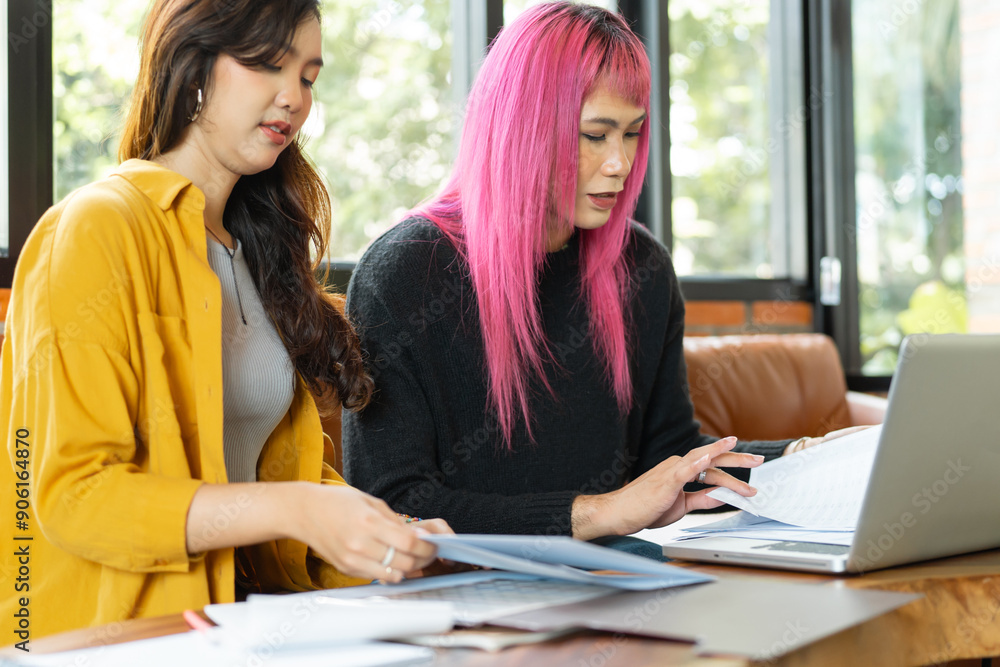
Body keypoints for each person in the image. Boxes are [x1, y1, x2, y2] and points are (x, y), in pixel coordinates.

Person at [0, 0, 449, 642]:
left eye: (309, 77)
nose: (293, 97)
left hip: (243, 630)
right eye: (267, 63)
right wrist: (301, 508)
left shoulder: (255, 250)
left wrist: (383, 535)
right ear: (193, 63)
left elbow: (268, 482)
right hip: (117, 642)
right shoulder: (97, 227)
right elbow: (76, 498)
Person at [342, 2, 861, 540]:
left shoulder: (644, 269)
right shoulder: (405, 274)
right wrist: (597, 514)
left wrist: (807, 457)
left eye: (632, 133)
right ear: (523, 126)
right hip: (463, 601)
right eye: (596, 135)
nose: (621, 162)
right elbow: (392, 508)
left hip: (619, 584)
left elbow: (669, 458)